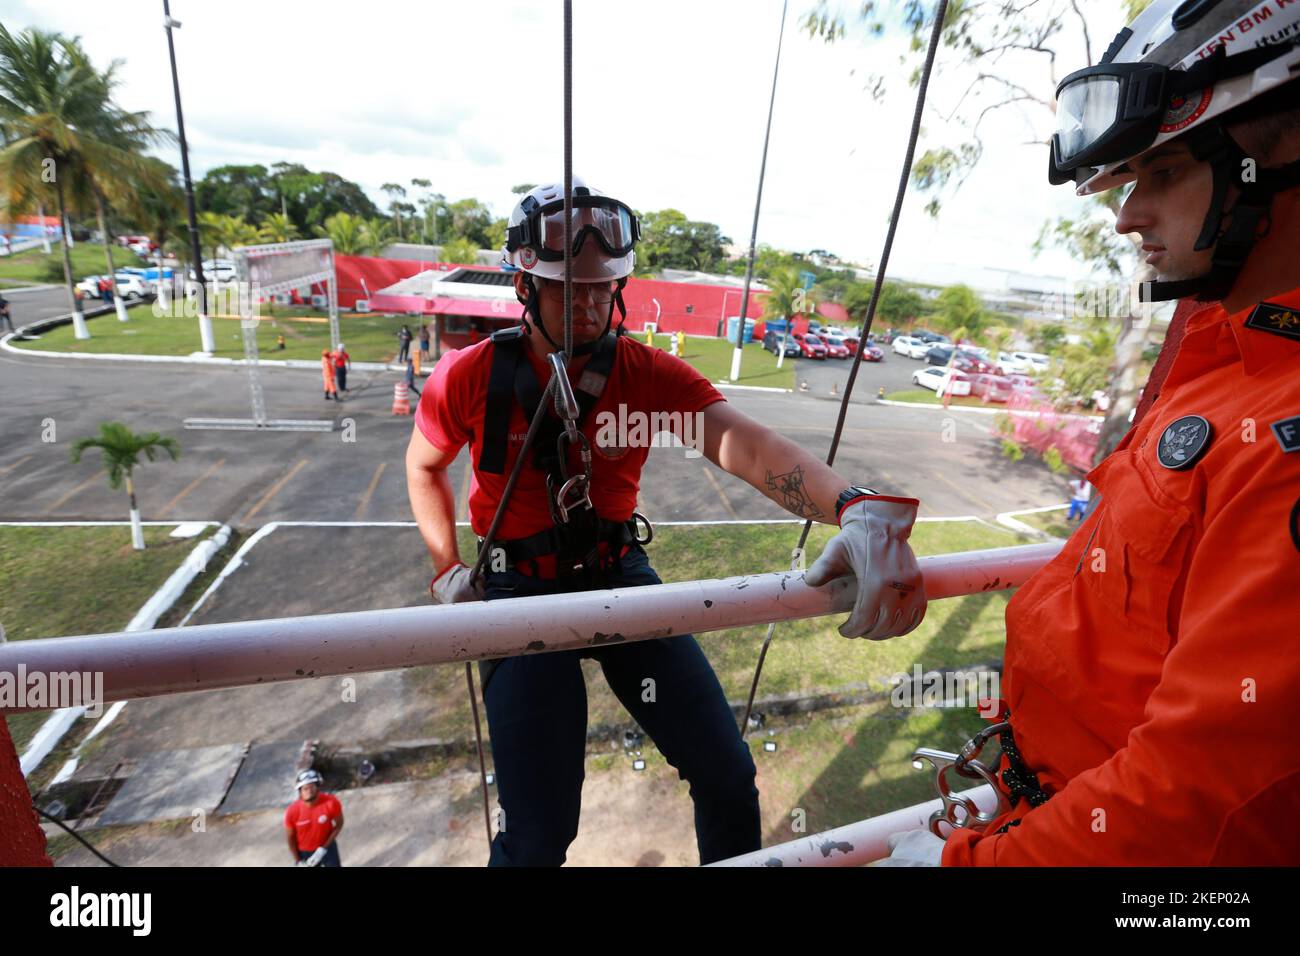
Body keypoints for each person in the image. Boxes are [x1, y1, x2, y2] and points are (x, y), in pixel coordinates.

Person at [406, 177, 928, 867]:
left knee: (728, 776)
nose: (590, 304)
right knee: (537, 836)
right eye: (571, 289)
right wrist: (447, 569)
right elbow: (424, 467)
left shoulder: (646, 376)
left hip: (618, 576)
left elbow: (747, 446)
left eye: (602, 288)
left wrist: (851, 506)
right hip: (517, 592)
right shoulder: (469, 377)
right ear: (525, 285)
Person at [887, 0, 1300, 867]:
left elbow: (1203, 796)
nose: (1127, 215)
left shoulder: (1282, 422)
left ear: (1282, 152)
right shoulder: (1222, 360)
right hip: (1043, 809)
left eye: (1164, 170)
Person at [284, 770, 344, 867]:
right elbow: (291, 839)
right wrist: (298, 861)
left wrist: (323, 848)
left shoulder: (331, 803)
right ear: (300, 791)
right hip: (304, 852)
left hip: (328, 847)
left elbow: (339, 824)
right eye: (305, 788)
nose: (309, 791)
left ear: (318, 787)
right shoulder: (292, 811)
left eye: (311, 787)